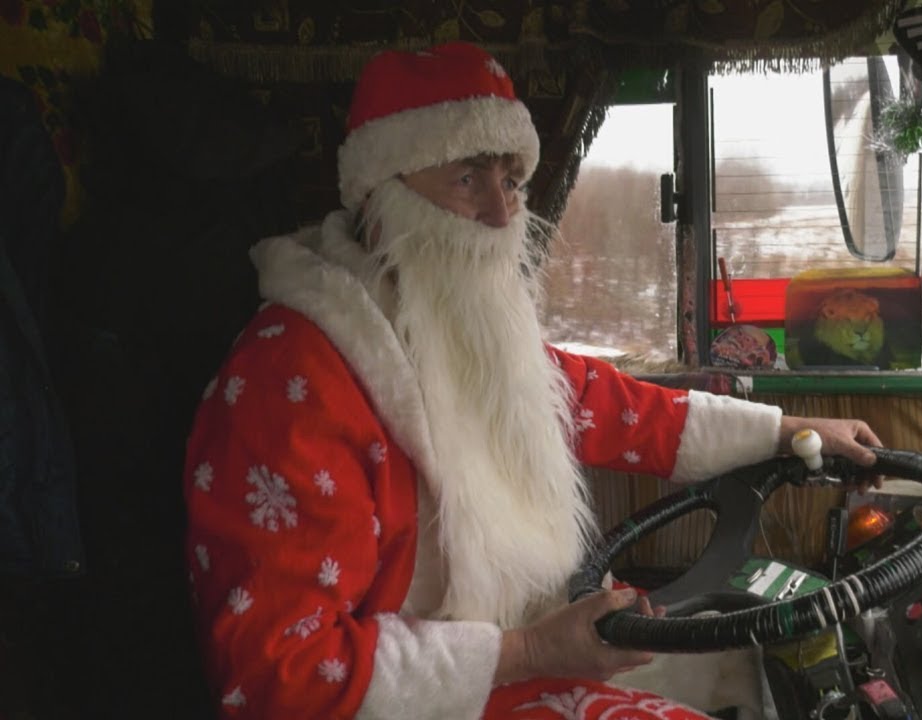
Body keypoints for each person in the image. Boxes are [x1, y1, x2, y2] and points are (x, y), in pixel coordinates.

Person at [183, 41, 884, 720]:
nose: (501, 214)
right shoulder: (289, 384)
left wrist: (787, 430)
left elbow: (596, 402)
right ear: (378, 195)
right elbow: (277, 679)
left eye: (511, 181)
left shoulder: (443, 326)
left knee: (764, 663)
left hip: (519, 668)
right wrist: (527, 651)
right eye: (467, 179)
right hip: (430, 701)